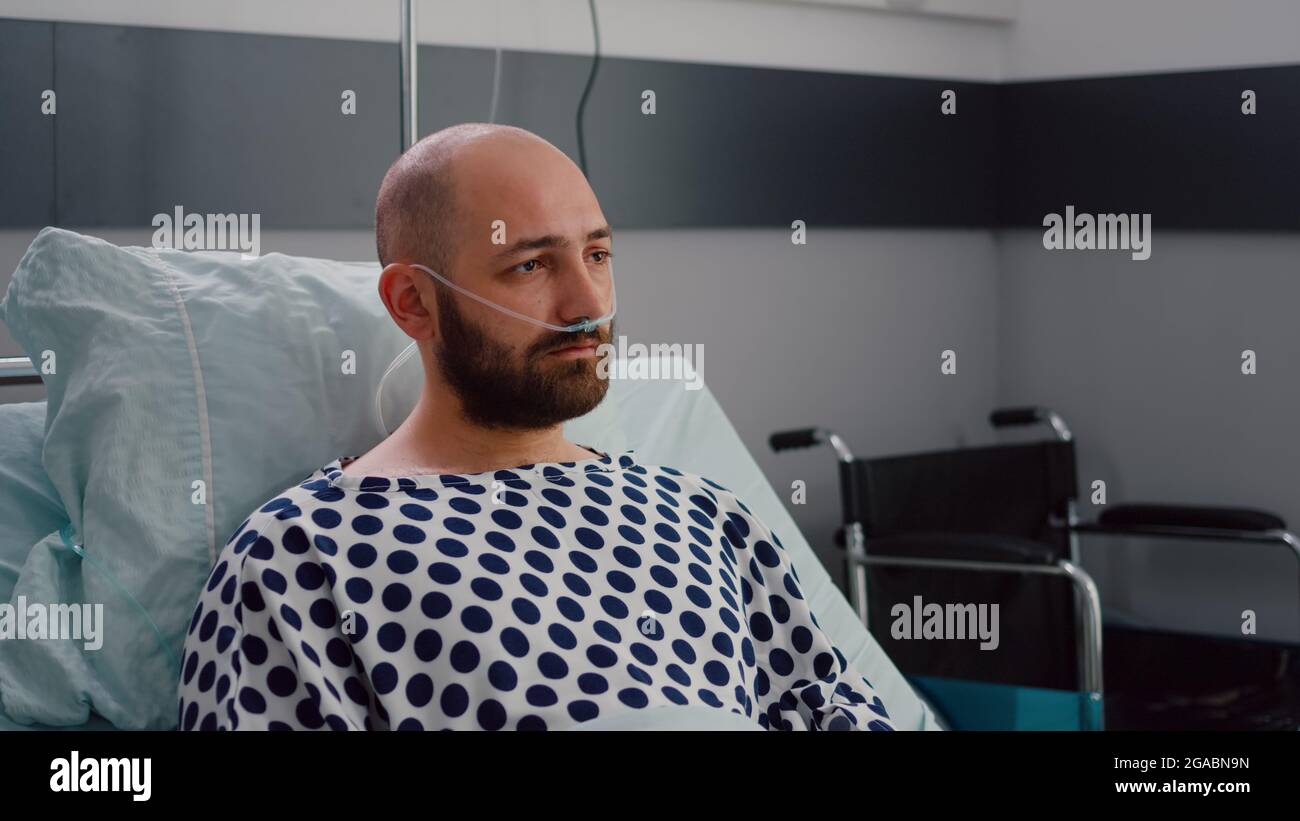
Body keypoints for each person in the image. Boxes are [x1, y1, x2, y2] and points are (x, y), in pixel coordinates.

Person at [177, 123, 894, 731]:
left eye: (598, 255)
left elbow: (834, 707)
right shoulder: (303, 557)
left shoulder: (703, 514)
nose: (588, 303)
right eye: (530, 264)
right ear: (413, 303)